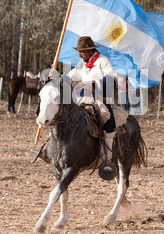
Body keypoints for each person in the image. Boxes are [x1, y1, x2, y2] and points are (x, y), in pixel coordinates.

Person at [50, 36, 118, 173]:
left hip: (100, 99)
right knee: (61, 115)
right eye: (79, 52)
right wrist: (58, 76)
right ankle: (54, 150)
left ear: (89, 51)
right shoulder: (82, 64)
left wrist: (93, 85)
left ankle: (107, 158)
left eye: (81, 52)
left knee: (108, 120)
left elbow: (113, 80)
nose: (79, 54)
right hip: (83, 99)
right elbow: (70, 77)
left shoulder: (103, 61)